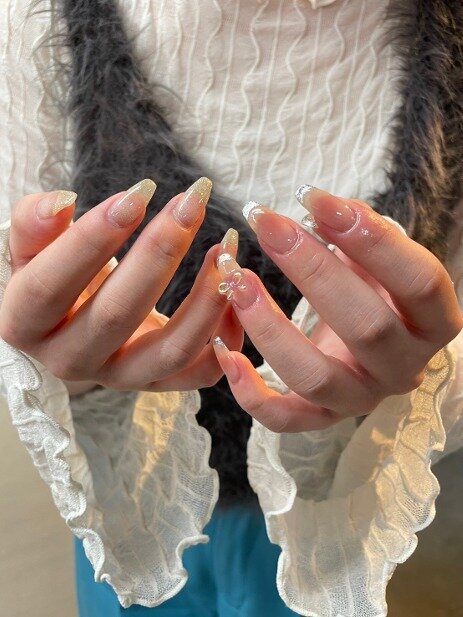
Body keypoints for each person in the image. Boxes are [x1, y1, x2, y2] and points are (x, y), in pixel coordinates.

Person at [0, 1, 462, 616]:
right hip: (137, 510)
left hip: (339, 521)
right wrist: (61, 359)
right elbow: (19, 318)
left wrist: (426, 376)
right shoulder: (27, 17)